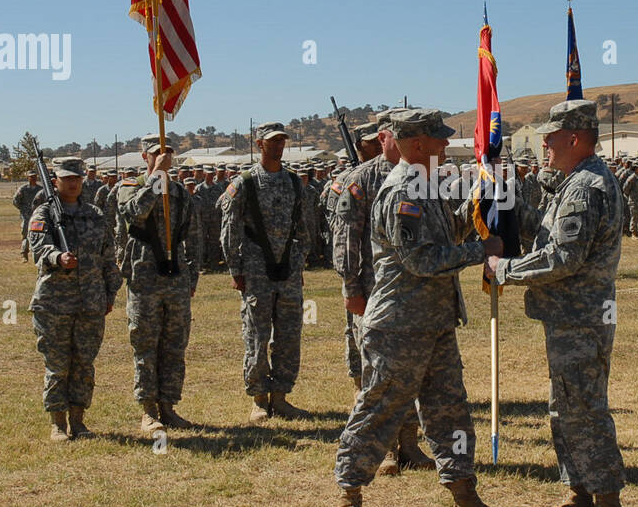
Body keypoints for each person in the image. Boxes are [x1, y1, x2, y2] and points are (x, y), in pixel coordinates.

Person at [334, 109, 516, 507]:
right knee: (379, 410)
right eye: (437, 141)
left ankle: (465, 500)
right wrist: (481, 251)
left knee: (449, 412)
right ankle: (348, 496)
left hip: (433, 322)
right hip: (398, 325)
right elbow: (420, 260)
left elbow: (444, 234)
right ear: (416, 146)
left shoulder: (426, 185)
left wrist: (483, 202)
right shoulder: (402, 193)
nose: (444, 146)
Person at [487, 99, 629, 507]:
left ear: (573, 138)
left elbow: (564, 257)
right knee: (566, 408)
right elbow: (549, 235)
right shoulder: (573, 183)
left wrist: (504, 269)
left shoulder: (587, 187)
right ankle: (580, 497)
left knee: (584, 411)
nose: (543, 143)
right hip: (570, 317)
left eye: (550, 136)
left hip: (580, 319)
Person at [332, 112, 433, 475]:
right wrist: (351, 288)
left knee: (409, 373)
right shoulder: (363, 179)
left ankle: (408, 444)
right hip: (372, 292)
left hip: (411, 293)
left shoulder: (420, 175)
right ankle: (384, 451)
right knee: (378, 376)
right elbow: (345, 241)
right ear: (384, 138)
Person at [220, 122, 311, 422]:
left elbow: (304, 229)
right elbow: (229, 230)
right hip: (256, 271)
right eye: (272, 142)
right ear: (259, 144)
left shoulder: (294, 183)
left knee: (289, 335)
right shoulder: (245, 183)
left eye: (282, 141)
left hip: (288, 270)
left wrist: (299, 263)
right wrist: (236, 268)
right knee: (256, 336)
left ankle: (281, 397)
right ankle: (259, 398)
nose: (278, 146)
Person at [27, 158, 122, 441]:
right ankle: (58, 424)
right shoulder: (43, 214)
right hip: (55, 303)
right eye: (67, 178)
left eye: (77, 178)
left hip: (90, 301)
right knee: (58, 364)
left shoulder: (94, 215)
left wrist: (110, 292)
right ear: (55, 181)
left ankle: (79, 421)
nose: (73, 183)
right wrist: (58, 257)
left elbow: (108, 256)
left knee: (83, 363)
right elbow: (39, 247)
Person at [117, 135, 201, 434]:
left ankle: (169, 406)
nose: (162, 158)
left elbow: (192, 235)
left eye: (167, 154)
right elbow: (136, 212)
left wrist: (193, 274)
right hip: (144, 276)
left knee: (175, 344)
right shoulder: (130, 188)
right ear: (145, 157)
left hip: (176, 275)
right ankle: (148, 410)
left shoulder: (180, 193)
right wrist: (158, 177)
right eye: (156, 154)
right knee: (146, 343)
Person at [13, 171, 40, 261]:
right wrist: (23, 210)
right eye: (31, 177)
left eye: (35, 176)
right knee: (25, 234)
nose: (33, 178)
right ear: (27, 178)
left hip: (37, 216)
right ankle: (24, 254)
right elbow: (15, 201)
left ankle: (37, 254)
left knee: (38, 234)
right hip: (26, 217)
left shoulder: (40, 189)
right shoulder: (23, 189)